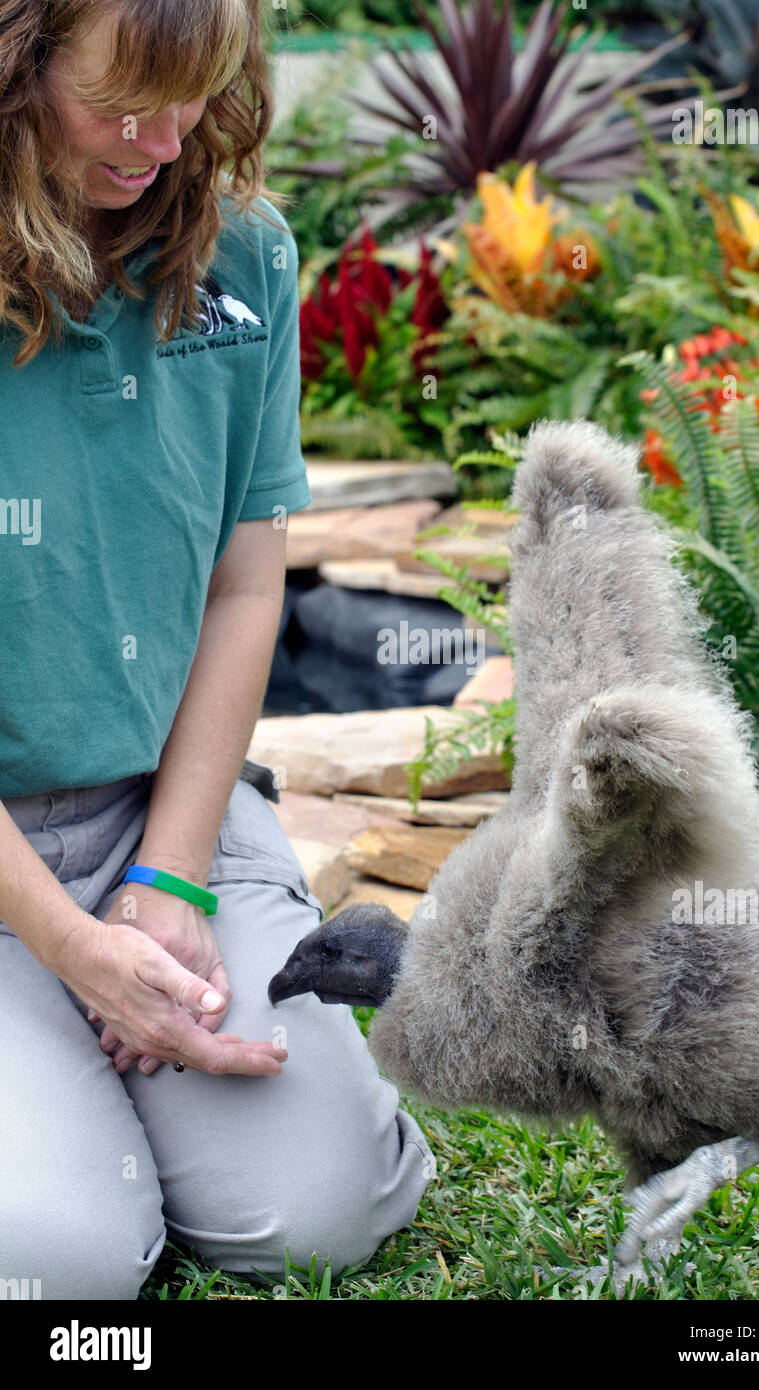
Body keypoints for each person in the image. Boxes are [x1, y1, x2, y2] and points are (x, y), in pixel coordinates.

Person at [0, 0, 434, 1300]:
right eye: (122, 100)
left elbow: (249, 590)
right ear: (19, 61)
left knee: (325, 1213)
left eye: (192, 96)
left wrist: (171, 884)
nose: (162, 143)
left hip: (158, 807)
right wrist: (74, 952)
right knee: (67, 1256)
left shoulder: (247, 251)